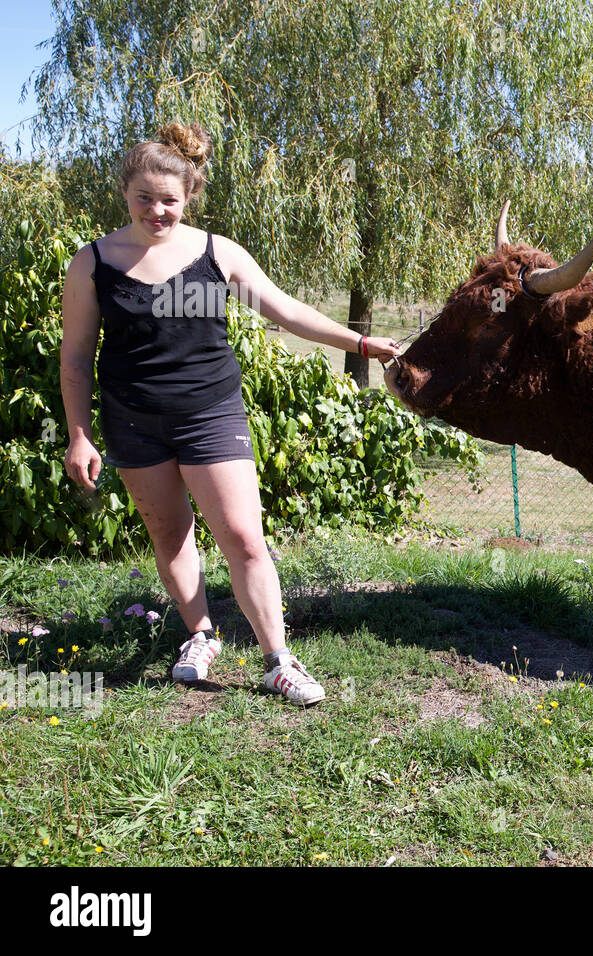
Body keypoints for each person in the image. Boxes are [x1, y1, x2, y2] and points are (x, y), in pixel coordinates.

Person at [59, 120, 401, 705]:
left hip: (210, 412)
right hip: (132, 420)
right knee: (169, 534)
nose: (157, 211)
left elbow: (287, 311)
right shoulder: (91, 264)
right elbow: (75, 362)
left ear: (188, 196)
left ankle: (278, 661)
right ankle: (199, 634)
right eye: (145, 198)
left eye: (169, 200)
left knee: (243, 537)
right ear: (125, 192)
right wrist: (79, 436)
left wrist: (363, 345)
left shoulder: (217, 254)